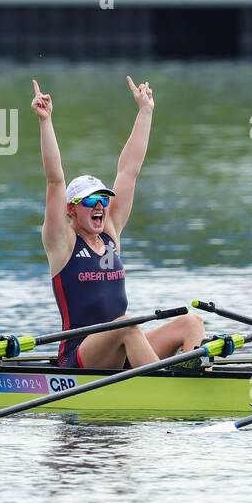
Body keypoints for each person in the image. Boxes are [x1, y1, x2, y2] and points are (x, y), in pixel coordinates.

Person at [35, 77, 204, 369]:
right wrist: (45, 121)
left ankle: (202, 379)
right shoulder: (62, 243)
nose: (99, 205)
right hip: (80, 357)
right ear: (71, 210)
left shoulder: (110, 231)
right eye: (90, 201)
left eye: (103, 198)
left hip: (122, 346)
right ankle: (166, 392)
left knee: (192, 322)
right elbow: (54, 179)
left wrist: (145, 112)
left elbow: (129, 170)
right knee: (126, 324)